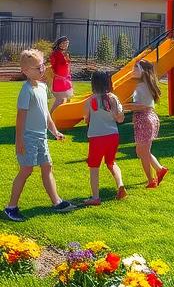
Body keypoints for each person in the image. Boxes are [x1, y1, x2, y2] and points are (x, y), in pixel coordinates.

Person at [4, 49, 72, 220]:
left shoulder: (42, 87)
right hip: (28, 138)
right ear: (26, 71)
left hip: (42, 137)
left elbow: (45, 113)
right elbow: (20, 118)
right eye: (37, 68)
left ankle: (57, 202)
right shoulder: (26, 91)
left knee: (47, 167)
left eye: (42, 66)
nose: (42, 70)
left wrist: (54, 131)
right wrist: (19, 141)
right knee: (26, 170)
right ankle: (11, 207)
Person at [84, 71, 126, 206]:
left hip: (97, 137)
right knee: (111, 162)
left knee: (94, 167)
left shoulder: (90, 100)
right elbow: (120, 119)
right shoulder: (113, 98)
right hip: (113, 135)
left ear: (93, 84)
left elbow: (86, 119)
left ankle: (95, 197)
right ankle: (120, 184)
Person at [123, 60, 168, 188]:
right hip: (149, 118)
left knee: (143, 153)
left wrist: (125, 106)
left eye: (136, 68)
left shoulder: (141, 86)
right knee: (142, 151)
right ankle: (159, 170)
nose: (133, 71)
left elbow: (142, 106)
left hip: (144, 120)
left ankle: (151, 180)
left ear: (143, 71)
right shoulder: (146, 84)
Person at [48, 36, 74, 109]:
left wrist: (69, 76)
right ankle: (51, 115)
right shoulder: (55, 53)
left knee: (66, 100)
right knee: (60, 100)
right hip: (59, 80)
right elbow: (53, 65)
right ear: (59, 44)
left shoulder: (66, 53)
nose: (66, 45)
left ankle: (61, 114)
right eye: (63, 43)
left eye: (67, 43)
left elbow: (68, 67)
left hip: (66, 80)